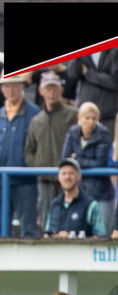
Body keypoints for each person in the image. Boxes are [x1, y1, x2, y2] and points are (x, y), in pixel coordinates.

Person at [25, 72, 77, 229]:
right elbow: (29, 150)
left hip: (68, 179)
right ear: (41, 91)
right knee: (47, 222)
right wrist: (38, 167)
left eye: (55, 88)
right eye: (48, 88)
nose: (51, 92)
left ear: (61, 90)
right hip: (44, 180)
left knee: (71, 222)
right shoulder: (36, 120)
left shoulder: (72, 115)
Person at [61, 101, 115, 229]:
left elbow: (100, 163)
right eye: (87, 118)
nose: (91, 122)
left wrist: (77, 159)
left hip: (100, 191)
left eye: (94, 118)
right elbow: (65, 159)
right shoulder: (73, 132)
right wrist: (79, 161)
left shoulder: (103, 134)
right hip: (78, 190)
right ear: (80, 119)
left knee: (101, 231)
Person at [0, 74, 40, 238]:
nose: (11, 90)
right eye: (7, 86)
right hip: (2, 180)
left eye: (15, 86)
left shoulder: (34, 114)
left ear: (22, 87)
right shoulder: (1, 114)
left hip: (26, 180)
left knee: (28, 226)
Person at [66, 47, 118, 132]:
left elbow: (115, 82)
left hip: (108, 116)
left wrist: (89, 74)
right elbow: (72, 74)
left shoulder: (115, 51)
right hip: (86, 115)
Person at [45, 158, 108, 238]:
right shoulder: (54, 204)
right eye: (63, 173)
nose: (67, 177)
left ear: (79, 176)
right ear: (59, 177)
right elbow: (47, 235)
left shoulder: (90, 204)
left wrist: (71, 238)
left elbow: (101, 237)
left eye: (71, 173)